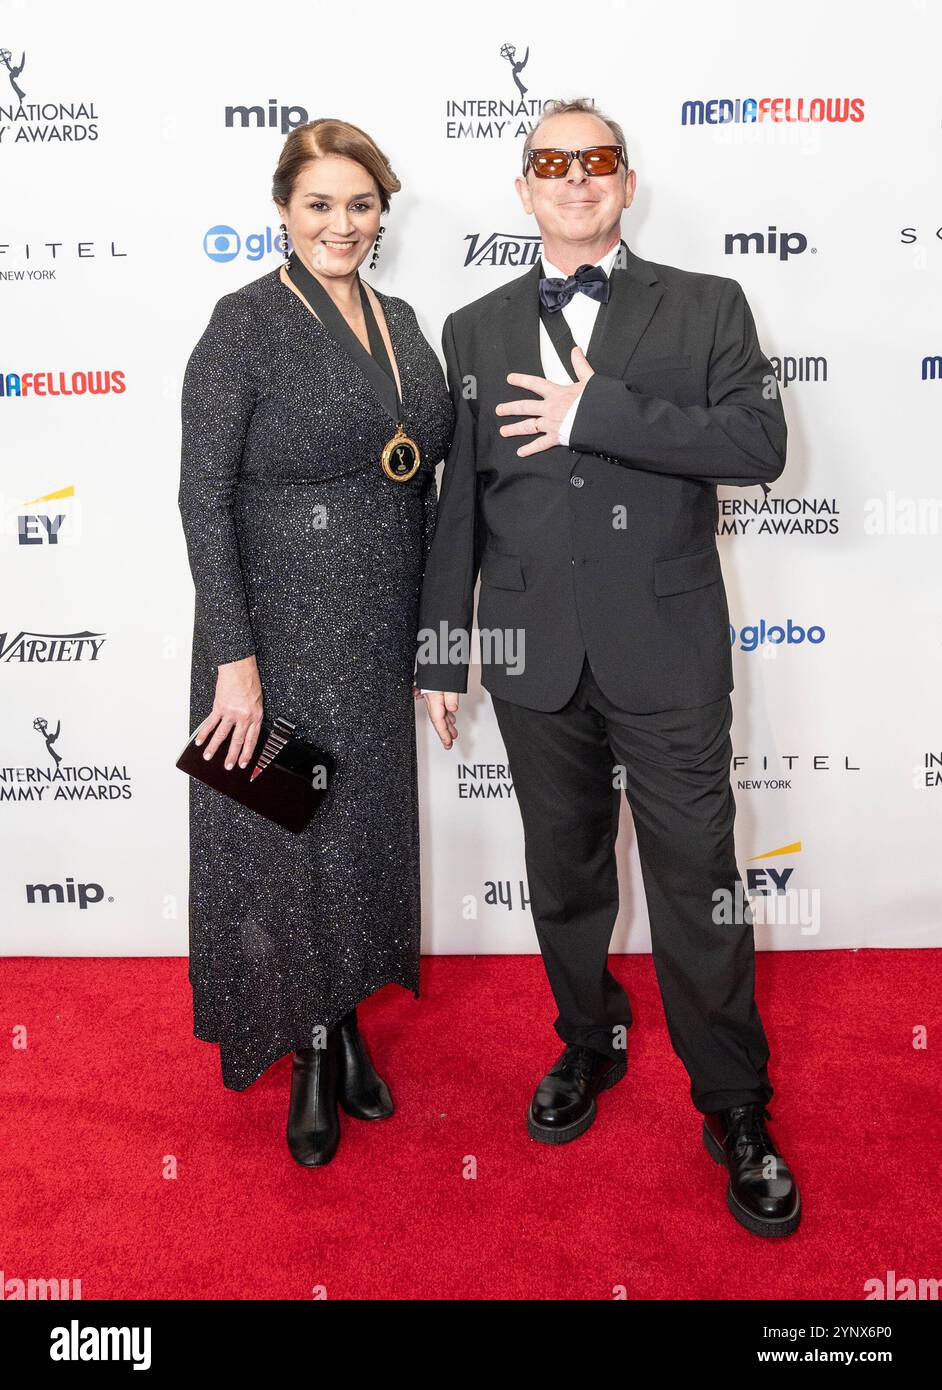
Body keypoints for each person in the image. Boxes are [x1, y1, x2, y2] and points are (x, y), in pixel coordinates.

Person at [415, 98, 800, 1237]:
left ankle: (734, 1104)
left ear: (625, 184)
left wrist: (601, 413)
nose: (574, 179)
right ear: (523, 189)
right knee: (566, 876)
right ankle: (589, 1040)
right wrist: (443, 647)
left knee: (698, 880)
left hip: (667, 651)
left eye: (595, 162)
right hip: (535, 657)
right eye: (551, 164)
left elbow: (758, 445)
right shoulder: (472, 327)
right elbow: (458, 509)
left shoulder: (709, 304)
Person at [178, 118, 454, 1167]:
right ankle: (305, 1046)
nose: (342, 223)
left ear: (383, 213)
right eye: (320, 204)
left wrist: (432, 639)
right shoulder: (242, 321)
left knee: (359, 837)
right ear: (285, 211)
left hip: (378, 628)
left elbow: (420, 477)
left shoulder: (404, 318)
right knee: (287, 843)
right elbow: (202, 494)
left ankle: (344, 1022)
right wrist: (233, 654)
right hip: (275, 633)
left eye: (361, 203)